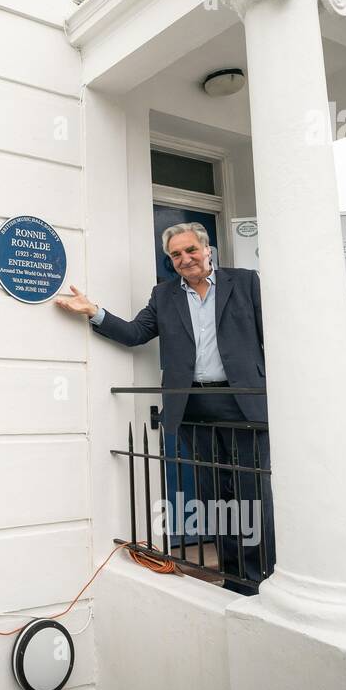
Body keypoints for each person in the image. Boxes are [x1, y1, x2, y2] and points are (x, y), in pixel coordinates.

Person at [56, 222, 274, 595]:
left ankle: (260, 578)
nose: (184, 259)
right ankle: (233, 578)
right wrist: (94, 311)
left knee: (251, 493)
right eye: (176, 254)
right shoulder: (165, 294)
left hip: (243, 404)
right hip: (193, 407)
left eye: (191, 250)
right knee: (213, 498)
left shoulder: (246, 282)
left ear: (208, 250)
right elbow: (136, 333)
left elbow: (274, 335)